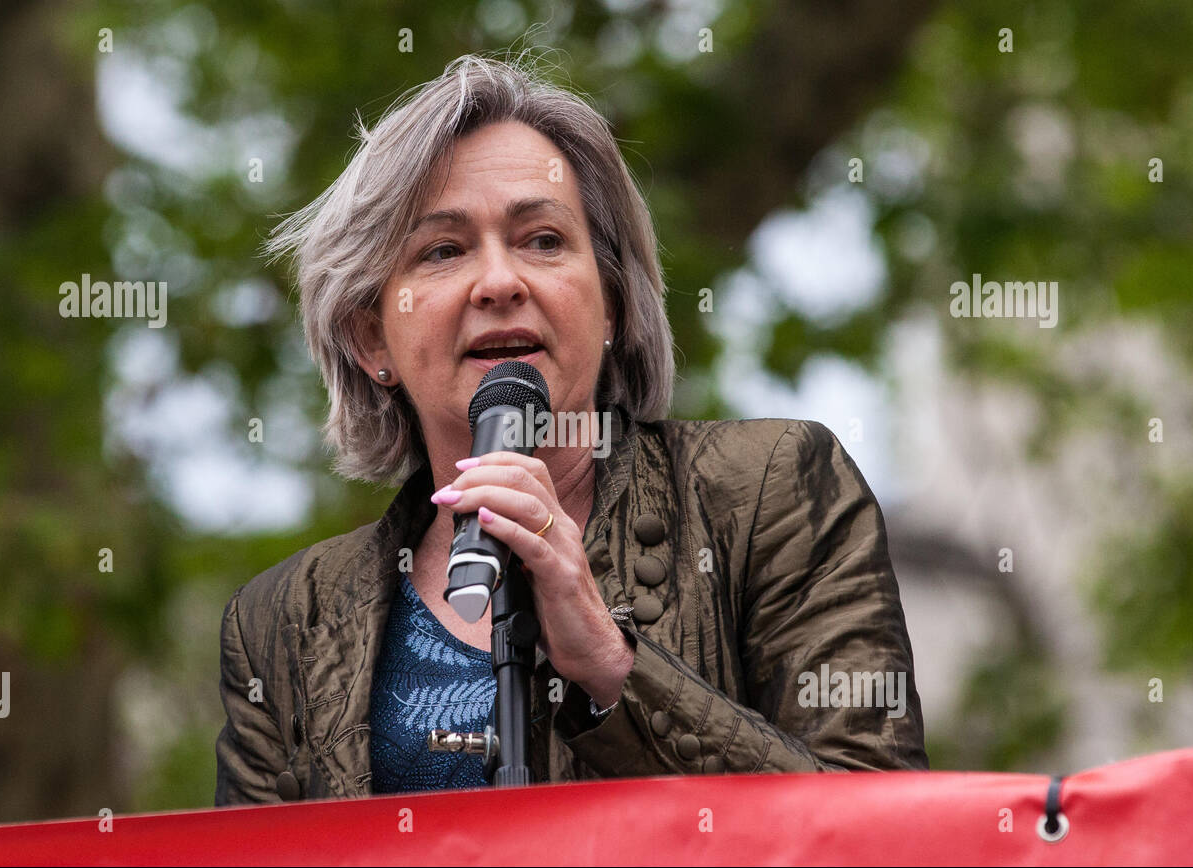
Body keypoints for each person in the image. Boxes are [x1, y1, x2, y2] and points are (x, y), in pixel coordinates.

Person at [215, 53, 927, 805]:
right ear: (370, 339)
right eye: (444, 250)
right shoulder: (284, 622)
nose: (500, 282)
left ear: (613, 301)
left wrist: (616, 667)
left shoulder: (771, 491)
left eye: (544, 240)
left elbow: (872, 824)